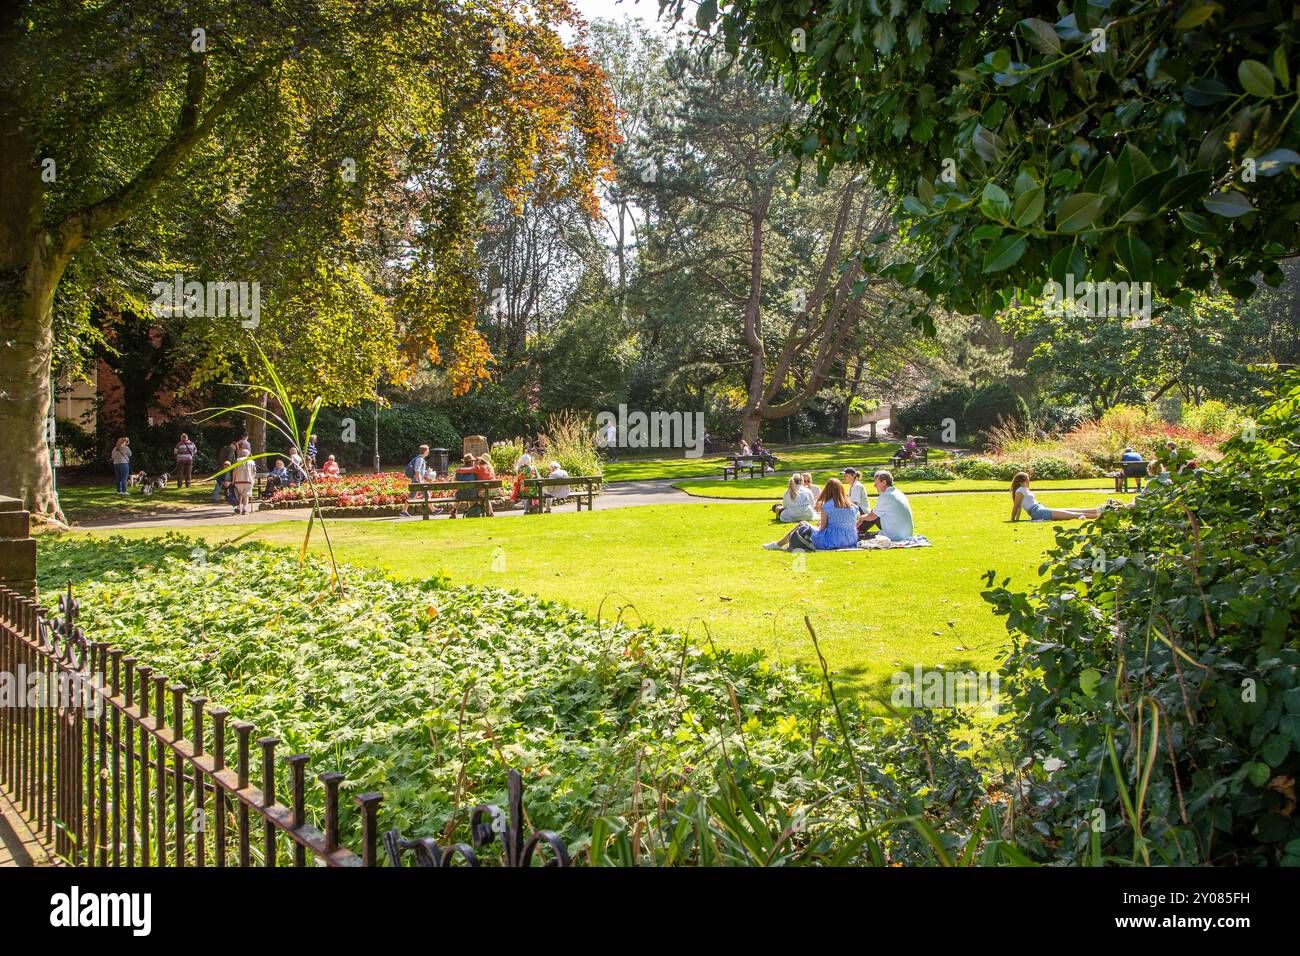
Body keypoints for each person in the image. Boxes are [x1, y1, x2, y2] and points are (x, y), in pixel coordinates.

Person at [763, 478, 859, 551]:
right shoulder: (852, 506)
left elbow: (822, 528)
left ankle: (778, 544)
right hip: (851, 539)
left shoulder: (827, 506)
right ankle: (781, 544)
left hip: (833, 540)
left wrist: (820, 524)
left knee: (803, 524)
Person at [1009, 472, 1106, 522]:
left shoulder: (1023, 490)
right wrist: (1013, 519)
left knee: (1071, 510)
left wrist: (1017, 520)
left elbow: (1019, 507)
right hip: (1038, 512)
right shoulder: (1020, 491)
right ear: (1021, 481)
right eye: (1027, 480)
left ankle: (1097, 510)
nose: (1028, 482)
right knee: (1072, 515)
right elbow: (1016, 506)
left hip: (1040, 509)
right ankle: (1099, 515)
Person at [858, 470, 915, 540]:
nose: (874, 486)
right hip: (906, 534)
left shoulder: (885, 496)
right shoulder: (899, 493)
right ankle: (857, 530)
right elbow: (874, 514)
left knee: (859, 537)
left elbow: (872, 516)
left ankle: (856, 531)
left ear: (884, 483)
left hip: (895, 536)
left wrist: (862, 518)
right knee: (874, 513)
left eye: (876, 483)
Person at [231, 441, 256, 514]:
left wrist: (233, 480)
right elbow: (254, 472)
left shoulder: (237, 461)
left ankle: (239, 508)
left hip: (238, 480)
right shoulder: (251, 461)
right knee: (246, 496)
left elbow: (234, 471)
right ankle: (245, 509)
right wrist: (253, 480)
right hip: (248, 481)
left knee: (238, 495)